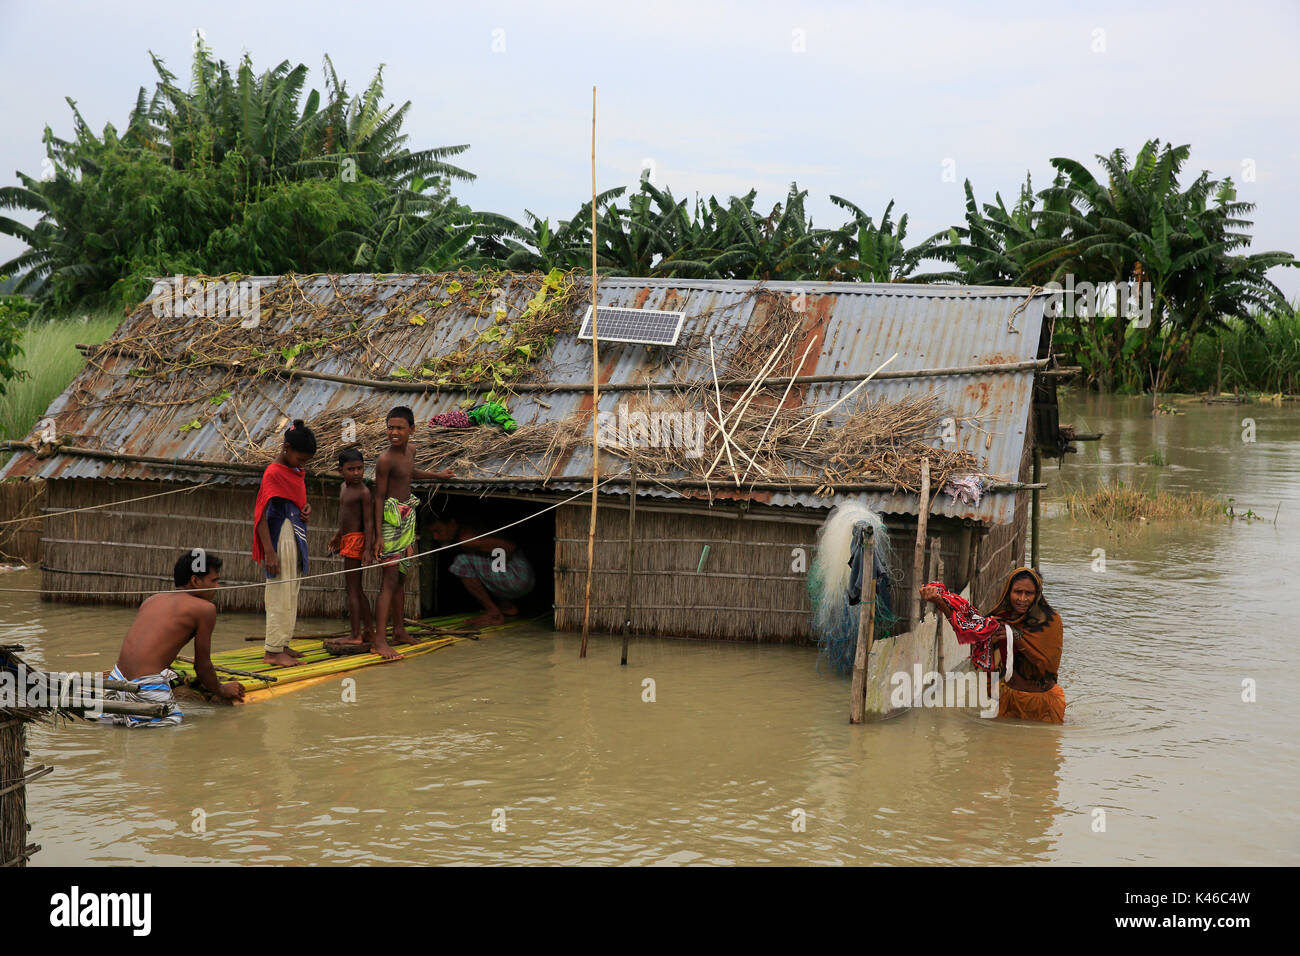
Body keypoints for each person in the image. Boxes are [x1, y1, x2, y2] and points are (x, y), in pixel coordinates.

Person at [103, 551, 244, 726]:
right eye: (214, 581)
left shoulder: (152, 600)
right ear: (195, 581)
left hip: (115, 683)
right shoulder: (205, 609)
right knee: (182, 734)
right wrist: (222, 689)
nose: (217, 587)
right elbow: (202, 667)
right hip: (147, 688)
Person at [921, 566, 1065, 723]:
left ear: (1037, 595)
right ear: (1008, 593)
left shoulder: (1050, 621)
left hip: (1044, 702)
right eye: (1017, 592)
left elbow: (1049, 665)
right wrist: (940, 601)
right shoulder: (1001, 619)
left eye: (1028, 593)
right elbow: (968, 627)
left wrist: (1016, 637)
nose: (1022, 599)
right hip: (1010, 698)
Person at [371, 407, 454, 659]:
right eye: (390, 428)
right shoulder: (384, 460)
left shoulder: (411, 452)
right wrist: (378, 535)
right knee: (389, 582)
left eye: (399, 428)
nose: (394, 433)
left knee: (401, 579)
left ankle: (399, 631)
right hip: (390, 521)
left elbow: (408, 474)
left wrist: (436, 475)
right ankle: (379, 641)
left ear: (412, 430)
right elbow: (379, 498)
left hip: (407, 519)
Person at [253, 420, 316, 667]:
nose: (303, 465)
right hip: (280, 536)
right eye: (300, 459)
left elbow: (297, 501)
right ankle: (272, 651)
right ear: (286, 448)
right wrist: (270, 551)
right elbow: (260, 517)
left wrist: (306, 508)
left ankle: (283, 644)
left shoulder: (295, 472)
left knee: (291, 592)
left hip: (296, 533)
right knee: (279, 592)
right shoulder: (273, 472)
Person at [429, 513, 535, 627]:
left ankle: (493, 612)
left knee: (462, 564)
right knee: (484, 565)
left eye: (437, 531)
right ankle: (507, 606)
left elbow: (508, 548)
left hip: (518, 576)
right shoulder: (464, 534)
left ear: (452, 524)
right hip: (520, 577)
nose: (435, 537)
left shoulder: (467, 537)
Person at [328, 448, 376, 647]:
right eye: (351, 469)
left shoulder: (363, 492)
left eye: (360, 469)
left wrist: (367, 548)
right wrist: (339, 535)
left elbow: (369, 522)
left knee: (353, 589)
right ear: (341, 471)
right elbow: (345, 515)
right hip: (347, 538)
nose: (357, 473)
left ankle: (355, 635)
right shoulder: (343, 488)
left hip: (357, 540)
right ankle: (368, 631)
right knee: (356, 589)